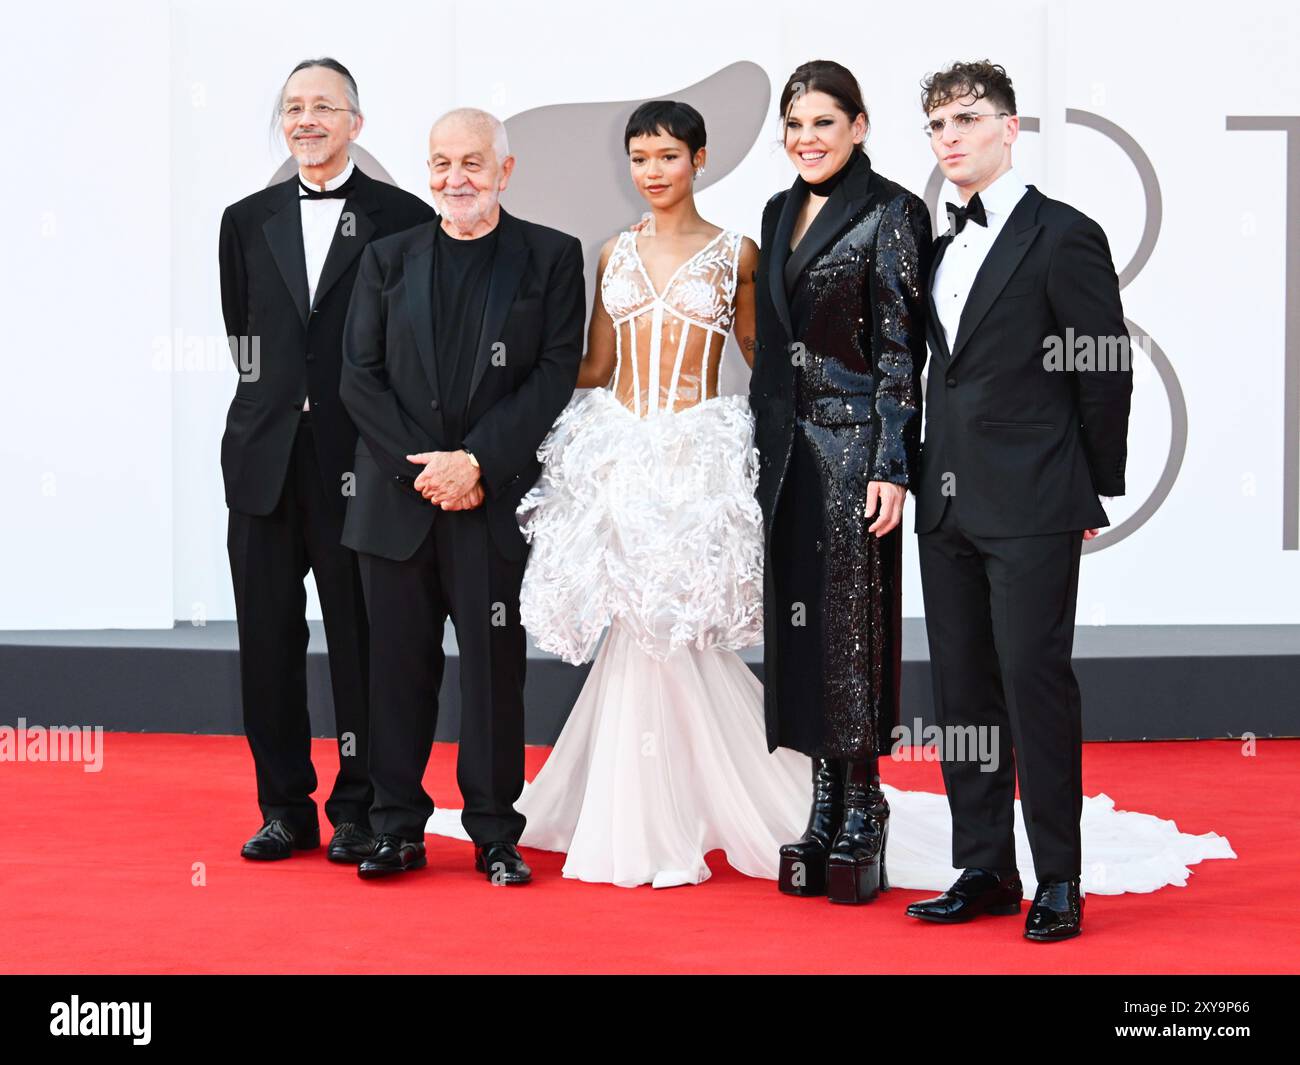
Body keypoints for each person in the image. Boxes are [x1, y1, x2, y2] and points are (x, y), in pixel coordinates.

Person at [426, 100, 814, 888]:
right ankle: (646, 806)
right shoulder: (611, 254)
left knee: (678, 628)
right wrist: (506, 379)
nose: (653, 171)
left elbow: (760, 354)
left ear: (699, 159)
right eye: (640, 157)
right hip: (621, 452)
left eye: (668, 155)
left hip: (698, 453)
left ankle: (670, 807)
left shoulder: (737, 252)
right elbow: (597, 363)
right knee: (637, 625)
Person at [907, 59, 1130, 940]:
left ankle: (1060, 878)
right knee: (962, 691)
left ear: (1010, 127)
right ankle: (985, 865)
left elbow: (1102, 364)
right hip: (947, 498)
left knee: (1035, 684)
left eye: (965, 119)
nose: (949, 137)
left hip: (1035, 497)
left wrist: (1088, 483)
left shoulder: (1064, 233)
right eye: (935, 125)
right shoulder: (936, 243)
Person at [338, 108, 585, 883]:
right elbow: (359, 377)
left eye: (472, 162)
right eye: (441, 164)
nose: (456, 179)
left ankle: (493, 834)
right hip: (397, 505)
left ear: (504, 171)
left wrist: (474, 461)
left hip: (491, 502)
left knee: (490, 672)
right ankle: (396, 828)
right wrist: (428, 469)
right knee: (396, 674)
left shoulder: (551, 256)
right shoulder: (386, 258)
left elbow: (553, 374)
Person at [218, 57, 434, 864]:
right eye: (293, 107)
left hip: (362, 462)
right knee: (265, 639)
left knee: (360, 638)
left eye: (323, 106)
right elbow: (243, 333)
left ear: (356, 122)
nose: (306, 119)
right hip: (263, 460)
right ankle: (283, 805)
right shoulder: (244, 219)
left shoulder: (405, 216)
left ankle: (358, 806)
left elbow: (408, 346)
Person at [751, 60, 932, 904]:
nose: (806, 138)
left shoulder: (894, 211)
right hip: (790, 451)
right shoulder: (776, 209)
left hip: (857, 447)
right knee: (804, 631)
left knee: (853, 630)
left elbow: (903, 350)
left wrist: (895, 464)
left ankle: (865, 804)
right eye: (794, 124)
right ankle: (822, 801)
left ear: (859, 126)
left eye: (824, 122)